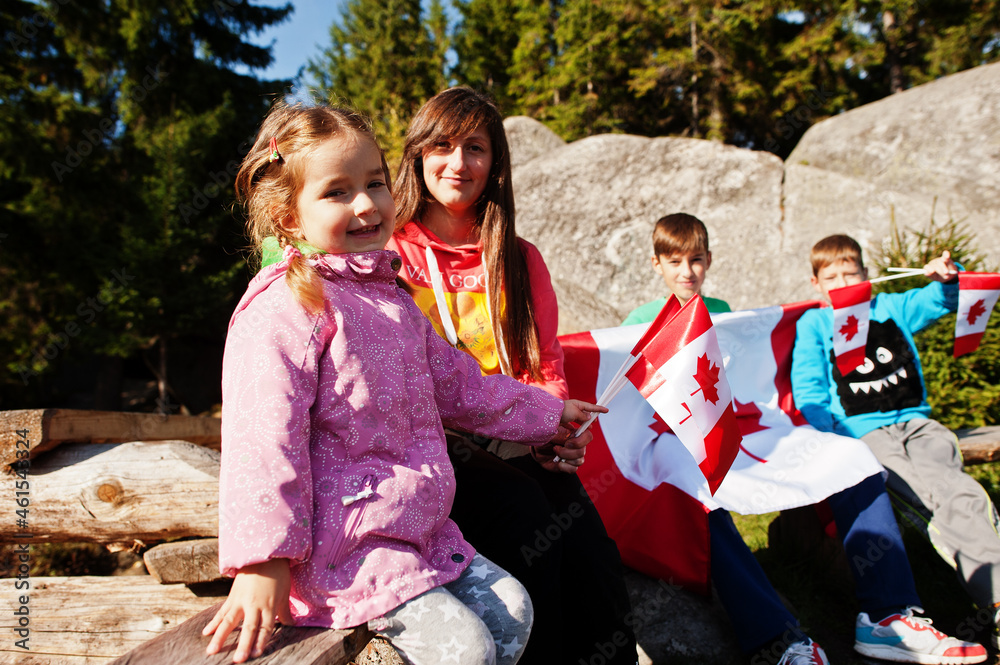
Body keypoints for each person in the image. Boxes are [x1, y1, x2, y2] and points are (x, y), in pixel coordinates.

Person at [202, 101, 607, 665]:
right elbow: (261, 443)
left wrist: (546, 413)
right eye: (337, 192)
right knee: (465, 650)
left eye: (375, 182)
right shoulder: (286, 309)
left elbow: (462, 385)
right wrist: (261, 562)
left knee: (513, 612)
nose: (366, 204)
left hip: (417, 532)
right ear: (289, 215)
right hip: (339, 552)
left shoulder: (394, 302)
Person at [624, 215, 987, 665]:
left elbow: (746, 373)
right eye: (674, 261)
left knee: (853, 456)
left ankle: (887, 616)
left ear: (709, 261)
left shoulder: (726, 309)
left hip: (748, 426)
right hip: (675, 439)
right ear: (656, 264)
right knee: (696, 490)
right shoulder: (638, 321)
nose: (686, 272)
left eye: (695, 260)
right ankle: (779, 640)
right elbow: (633, 398)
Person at [387, 86, 638, 665]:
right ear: (417, 154)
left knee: (595, 563)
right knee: (525, 525)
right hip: (436, 447)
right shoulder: (390, 252)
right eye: (442, 145)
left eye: (475, 147)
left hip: (518, 434)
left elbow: (544, 365)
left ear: (495, 162)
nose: (458, 163)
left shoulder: (519, 257)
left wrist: (558, 433)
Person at [792, 234, 1000, 648]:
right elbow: (810, 388)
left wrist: (946, 278)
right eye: (830, 276)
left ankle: (995, 601)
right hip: (863, 431)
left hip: (918, 425)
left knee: (959, 491)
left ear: (867, 275)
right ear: (816, 283)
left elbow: (943, 299)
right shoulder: (815, 324)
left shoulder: (890, 307)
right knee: (921, 495)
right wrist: (831, 438)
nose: (842, 281)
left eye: (851, 272)